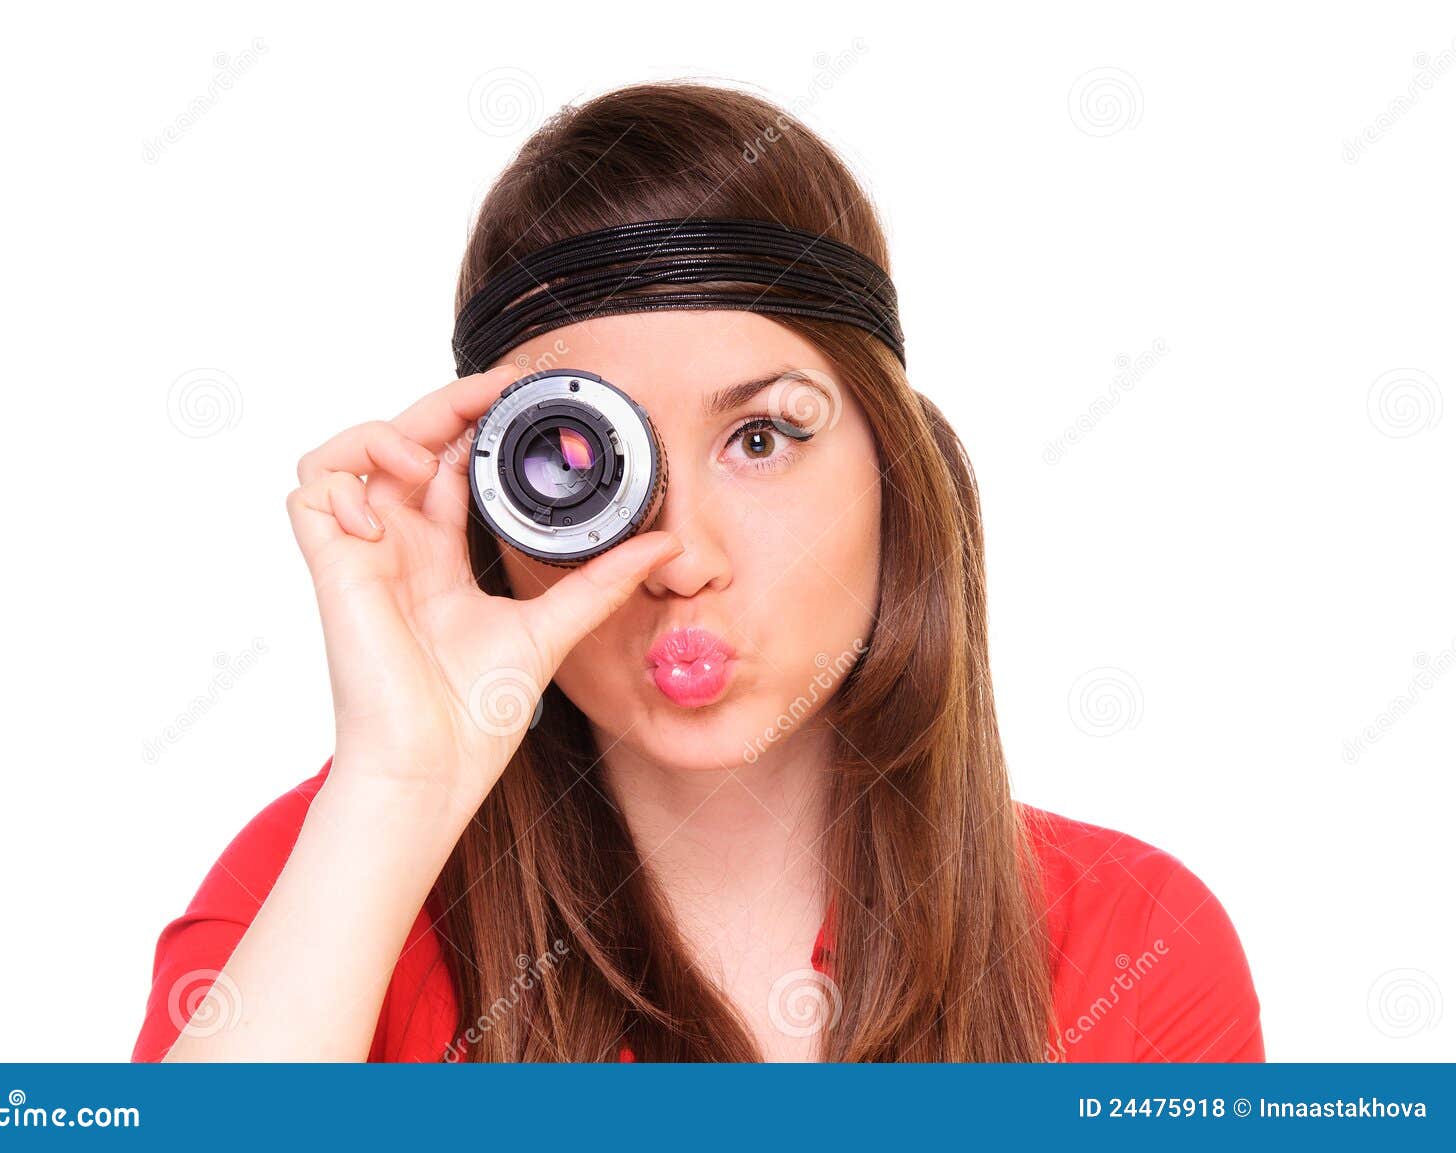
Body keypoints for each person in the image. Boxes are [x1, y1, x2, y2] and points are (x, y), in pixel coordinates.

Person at [132, 80, 1263, 1063]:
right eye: (579, 463)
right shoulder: (331, 881)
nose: (682, 560)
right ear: (493, 505)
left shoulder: (1131, 942)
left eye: (761, 438)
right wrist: (399, 783)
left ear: (893, 469)